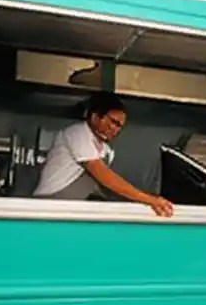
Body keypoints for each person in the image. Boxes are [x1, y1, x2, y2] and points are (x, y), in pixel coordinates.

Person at [32, 91, 174, 217]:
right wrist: (150, 200)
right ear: (95, 117)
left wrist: (138, 203)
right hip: (47, 205)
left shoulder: (105, 150)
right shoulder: (78, 133)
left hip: (68, 209)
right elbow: (104, 176)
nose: (116, 129)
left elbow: (105, 187)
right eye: (114, 122)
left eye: (120, 126)